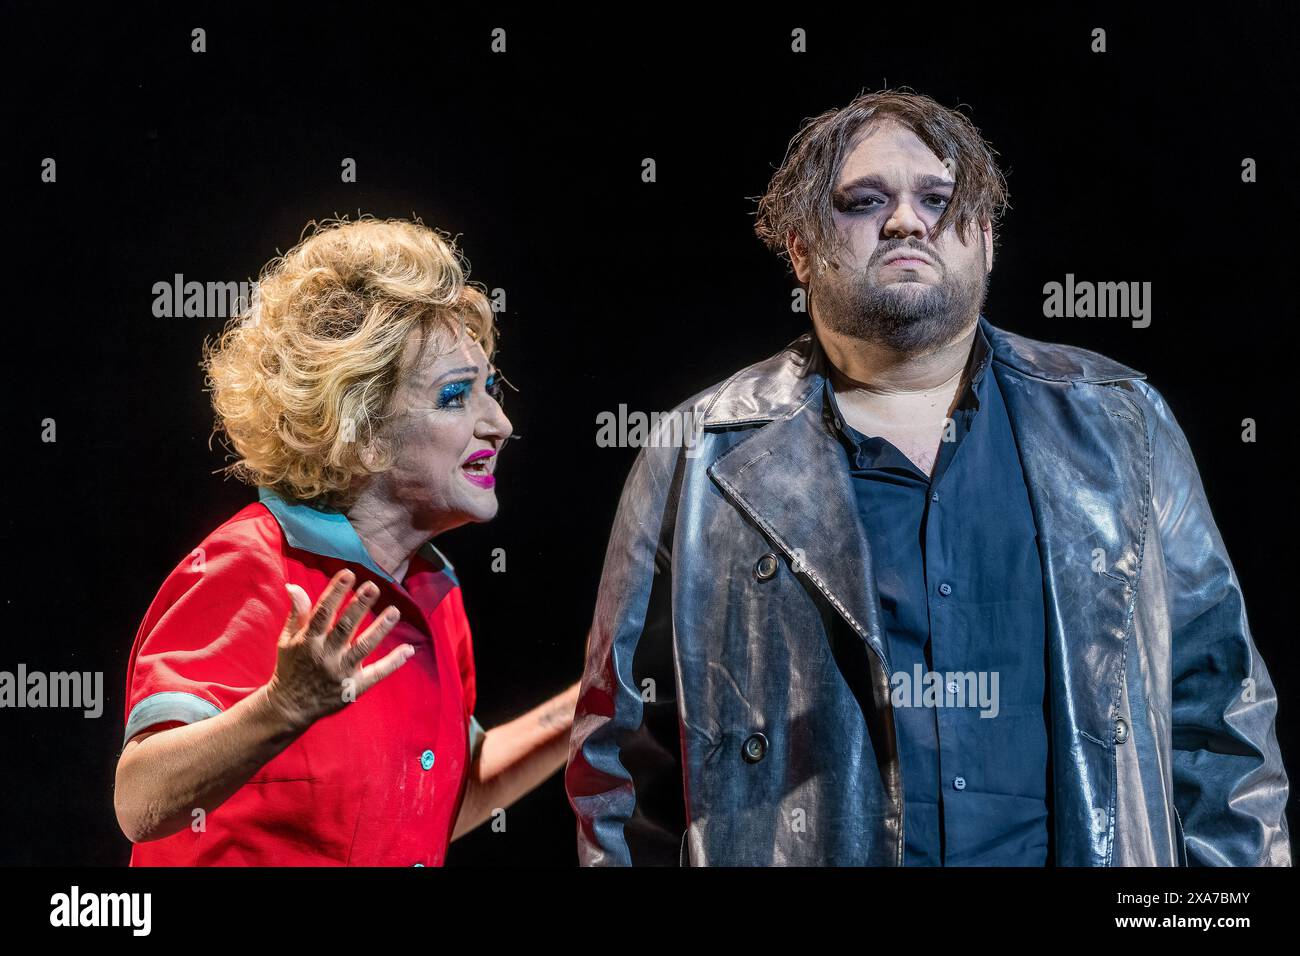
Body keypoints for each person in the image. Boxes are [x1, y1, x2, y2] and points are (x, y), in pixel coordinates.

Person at [565, 89, 1291, 866]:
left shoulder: (1123, 425)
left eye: (937, 200)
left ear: (984, 235)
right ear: (802, 249)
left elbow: (1220, 722)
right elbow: (623, 766)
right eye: (864, 201)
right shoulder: (697, 452)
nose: (906, 221)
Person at [115, 216, 579, 865]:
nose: (499, 423)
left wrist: (593, 701)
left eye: (490, 390)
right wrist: (283, 706)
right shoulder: (249, 564)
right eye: (455, 397)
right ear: (358, 428)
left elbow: (445, 800)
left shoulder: (432, 590)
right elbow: (140, 804)